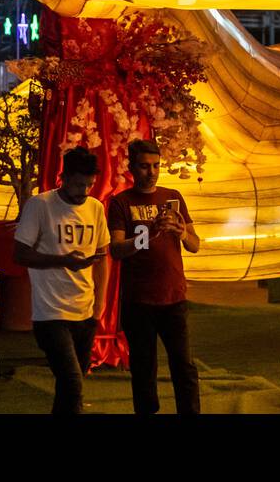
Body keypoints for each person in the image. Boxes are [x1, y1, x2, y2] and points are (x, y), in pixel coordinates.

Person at [108, 139, 202, 415]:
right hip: (138, 301)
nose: (152, 172)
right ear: (131, 168)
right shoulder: (121, 203)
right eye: (145, 166)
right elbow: (116, 249)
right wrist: (148, 233)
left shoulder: (173, 196)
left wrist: (181, 231)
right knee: (144, 369)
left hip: (173, 297)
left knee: (184, 366)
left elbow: (195, 245)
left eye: (156, 165)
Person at [13, 147, 109, 414]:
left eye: (90, 184)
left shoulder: (96, 208)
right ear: (62, 177)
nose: (85, 191)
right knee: (71, 381)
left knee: (71, 386)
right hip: (50, 314)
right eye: (79, 184)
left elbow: (102, 257)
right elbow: (20, 254)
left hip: (85, 311)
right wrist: (63, 260)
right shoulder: (40, 205)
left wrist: (98, 305)